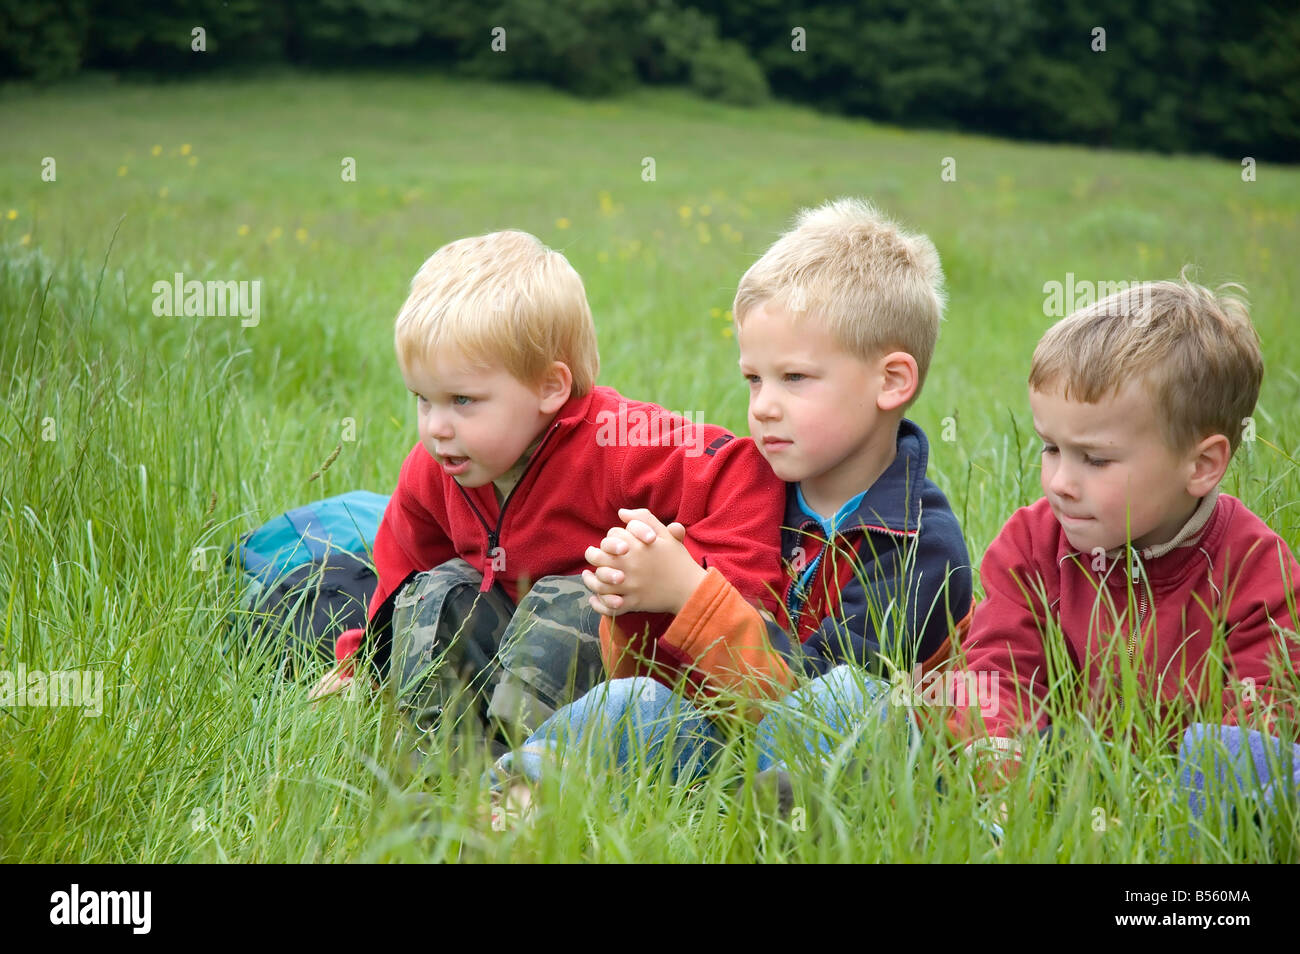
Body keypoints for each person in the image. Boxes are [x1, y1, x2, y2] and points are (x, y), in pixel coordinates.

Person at [491, 198, 974, 792]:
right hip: (728, 743)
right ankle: (511, 806)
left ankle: (774, 821)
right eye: (754, 378)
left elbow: (812, 707)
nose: (763, 405)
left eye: (794, 378)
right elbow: (675, 682)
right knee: (631, 699)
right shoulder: (746, 492)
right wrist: (639, 603)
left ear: (891, 381)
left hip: (842, 766)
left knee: (851, 695)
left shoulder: (919, 543)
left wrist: (692, 593)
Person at [310, 230, 788, 749]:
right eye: (424, 400)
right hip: (506, 639)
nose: (436, 427)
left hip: (603, 667)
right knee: (438, 588)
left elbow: (737, 467)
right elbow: (406, 569)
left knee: (571, 596)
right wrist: (365, 660)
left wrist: (712, 588)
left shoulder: (616, 441)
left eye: (463, 400)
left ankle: (530, 775)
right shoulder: (434, 468)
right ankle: (444, 767)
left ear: (549, 387)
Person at [951, 273, 1300, 832]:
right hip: (1059, 773)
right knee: (922, 727)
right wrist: (1000, 758)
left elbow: (1269, 707)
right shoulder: (1031, 545)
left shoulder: (1254, 567)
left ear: (1202, 464)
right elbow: (1001, 670)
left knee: (1243, 757)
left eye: (1096, 459)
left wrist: (1170, 803)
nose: (1061, 482)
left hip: (1194, 795)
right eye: (1051, 448)